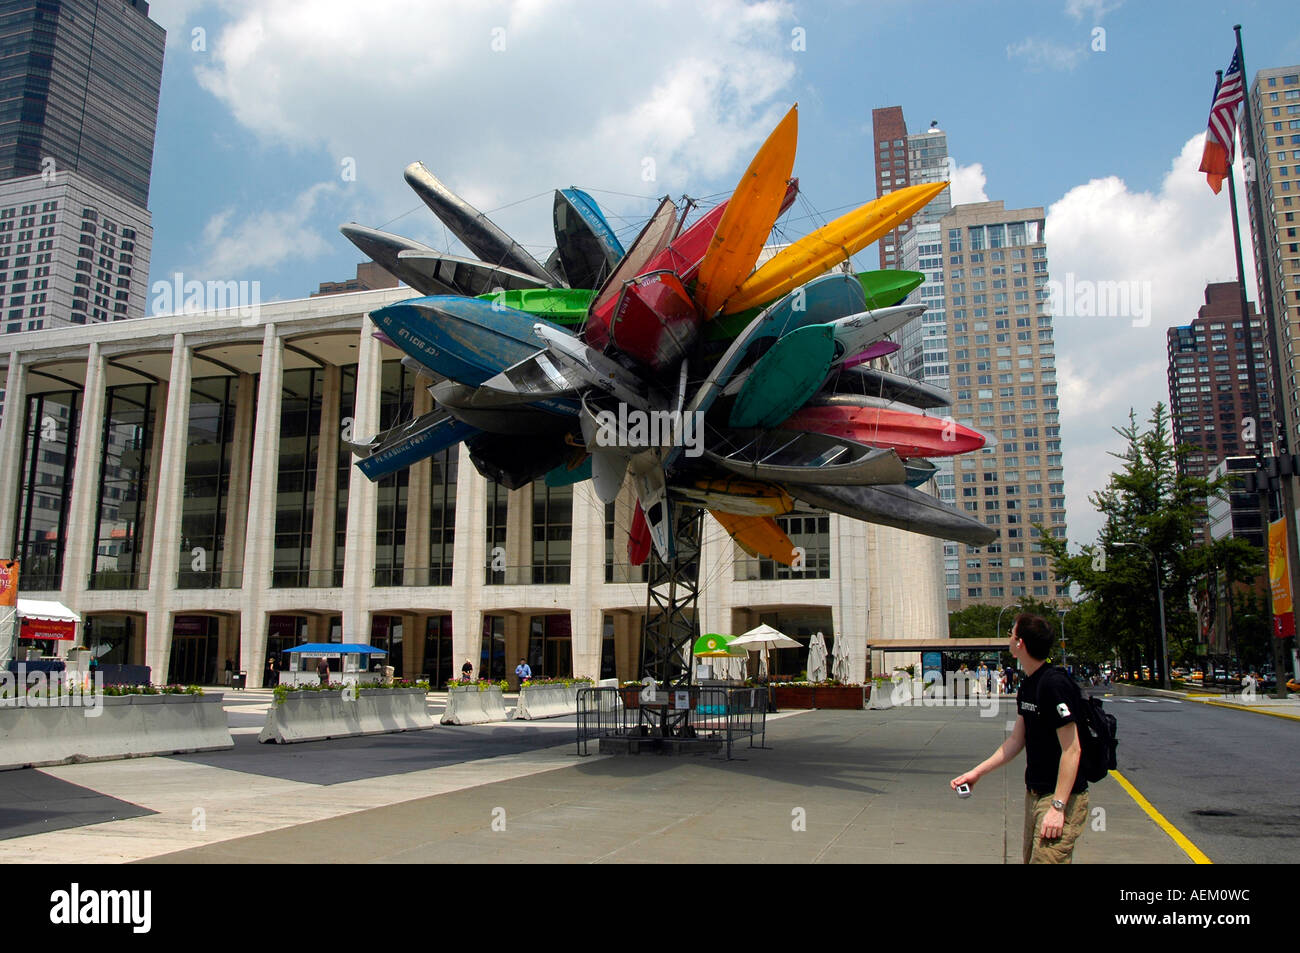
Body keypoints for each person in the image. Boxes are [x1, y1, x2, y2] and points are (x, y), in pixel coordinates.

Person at [950, 613, 1088, 864]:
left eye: (1011, 634)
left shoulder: (1054, 684)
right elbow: (1015, 741)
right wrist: (976, 773)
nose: (1009, 639)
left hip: (1059, 797)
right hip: (1034, 795)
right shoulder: (1028, 686)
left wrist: (1058, 808)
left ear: (1020, 643)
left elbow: (1072, 750)